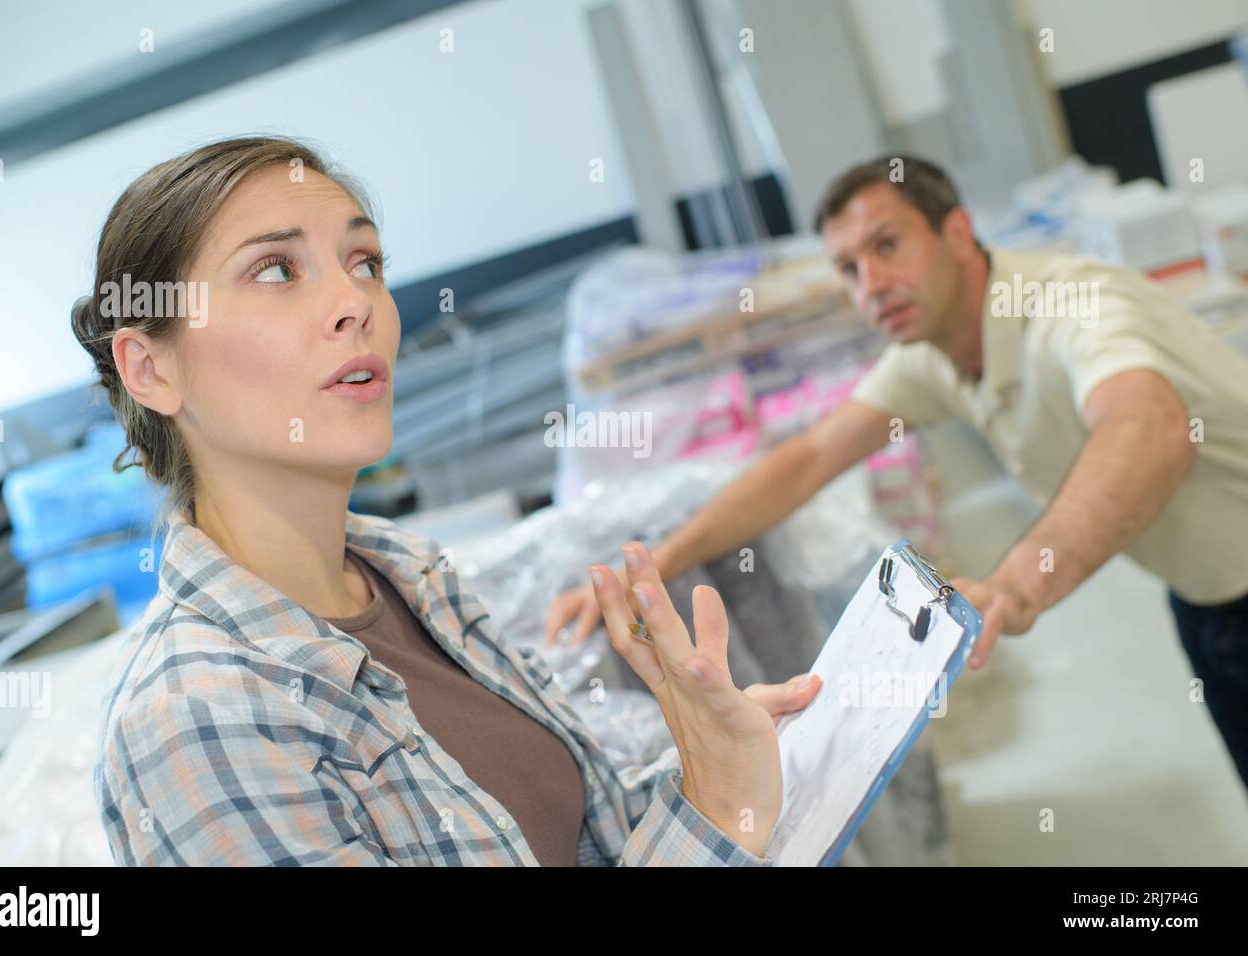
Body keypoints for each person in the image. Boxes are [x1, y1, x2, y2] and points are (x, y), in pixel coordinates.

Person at [77, 136, 820, 866]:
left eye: (364, 263)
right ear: (150, 368)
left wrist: (712, 771)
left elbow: (585, 843)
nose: (353, 302)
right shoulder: (195, 719)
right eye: (276, 270)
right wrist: (716, 820)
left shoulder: (415, 580)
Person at [547, 155, 1248, 790]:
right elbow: (810, 459)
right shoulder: (933, 352)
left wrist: (1012, 586)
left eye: (888, 246)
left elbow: (1150, 430)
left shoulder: (1070, 305)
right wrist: (657, 567)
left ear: (959, 234)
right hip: (1206, 593)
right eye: (849, 269)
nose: (872, 283)